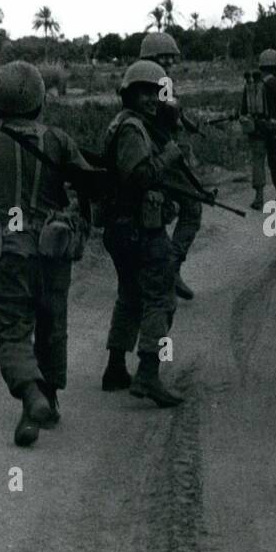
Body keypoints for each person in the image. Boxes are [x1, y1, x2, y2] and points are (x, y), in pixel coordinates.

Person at [0, 61, 93, 446]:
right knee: (52, 329)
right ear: (40, 101)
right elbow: (85, 183)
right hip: (53, 250)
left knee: (14, 333)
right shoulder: (61, 141)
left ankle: (31, 397)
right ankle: (40, 404)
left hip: (9, 253)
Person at [97, 60, 188, 408]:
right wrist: (167, 158)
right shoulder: (133, 129)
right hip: (139, 229)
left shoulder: (123, 124)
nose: (151, 99)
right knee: (161, 299)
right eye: (143, 92)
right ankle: (149, 374)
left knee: (130, 296)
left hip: (121, 229)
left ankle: (116, 368)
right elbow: (137, 176)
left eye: (155, 92)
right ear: (129, 94)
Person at [139, 30, 198, 300]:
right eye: (167, 59)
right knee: (192, 207)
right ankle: (170, 268)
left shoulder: (136, 83)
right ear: (155, 59)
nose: (171, 65)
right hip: (162, 156)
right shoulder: (161, 83)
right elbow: (170, 113)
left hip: (143, 156)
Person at [240, 48, 276, 209]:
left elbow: (244, 109)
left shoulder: (252, 85)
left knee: (258, 161)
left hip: (257, 129)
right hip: (274, 128)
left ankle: (259, 198)